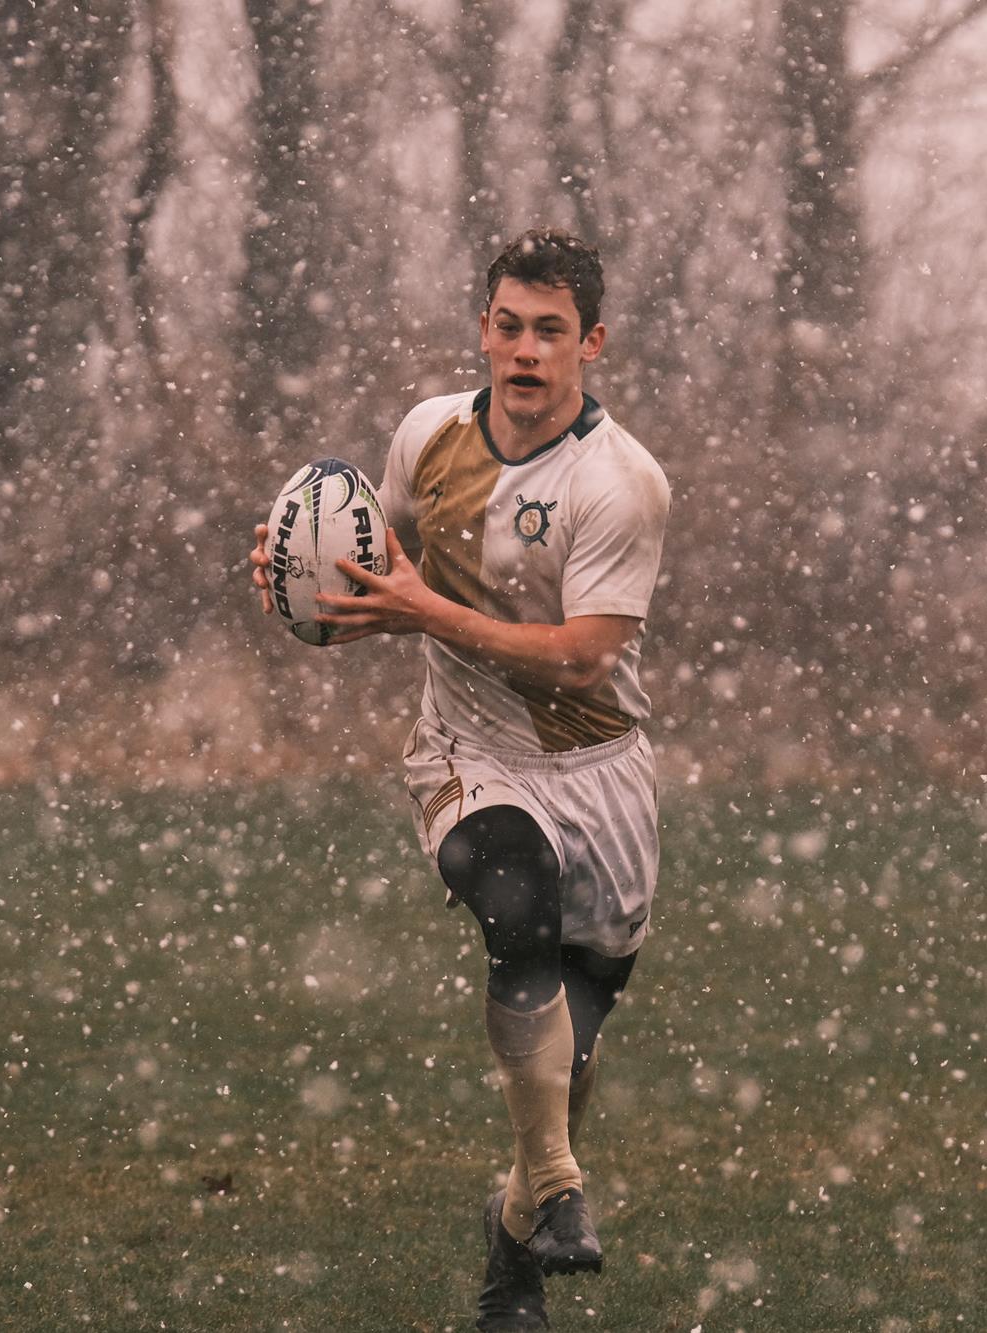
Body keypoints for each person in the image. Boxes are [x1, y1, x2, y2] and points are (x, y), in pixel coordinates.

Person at [251, 229, 670, 1332]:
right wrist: (301, 587)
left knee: (572, 1043)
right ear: (482, 327)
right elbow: (373, 574)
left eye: (549, 330)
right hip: (466, 752)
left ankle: (517, 1228)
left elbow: (582, 654)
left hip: (601, 773)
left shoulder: (620, 484)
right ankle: (564, 1189)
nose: (524, 350)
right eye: (506, 324)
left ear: (593, 342)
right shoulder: (426, 434)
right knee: (513, 905)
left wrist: (412, 609)